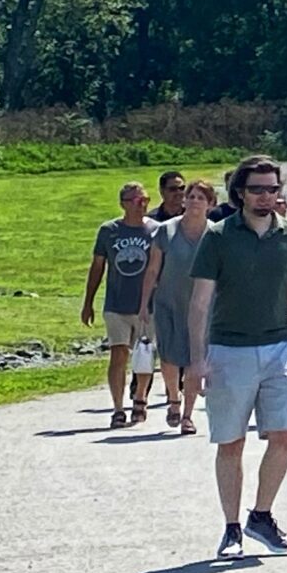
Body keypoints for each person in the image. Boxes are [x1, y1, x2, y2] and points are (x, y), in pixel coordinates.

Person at [188, 156, 287, 559]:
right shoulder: (219, 236)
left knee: (284, 434)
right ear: (240, 192)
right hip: (229, 349)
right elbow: (199, 302)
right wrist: (197, 359)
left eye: (272, 189)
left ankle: (261, 514)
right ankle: (231, 529)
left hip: (280, 347)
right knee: (231, 442)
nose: (265, 196)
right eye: (257, 189)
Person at [82, 181, 159, 428]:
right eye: (136, 201)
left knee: (145, 354)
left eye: (145, 199)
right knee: (118, 354)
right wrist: (88, 302)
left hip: (147, 305)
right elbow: (97, 267)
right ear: (124, 204)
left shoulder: (157, 231)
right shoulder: (109, 231)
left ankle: (139, 399)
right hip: (117, 304)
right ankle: (117, 407)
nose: (142, 204)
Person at [143, 179, 217, 434]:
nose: (194, 201)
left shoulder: (216, 234)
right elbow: (153, 269)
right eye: (191, 196)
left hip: (203, 305)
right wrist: (144, 304)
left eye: (201, 197)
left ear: (210, 204)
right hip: (168, 302)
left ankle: (187, 414)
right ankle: (173, 399)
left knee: (196, 357)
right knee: (170, 356)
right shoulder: (166, 231)